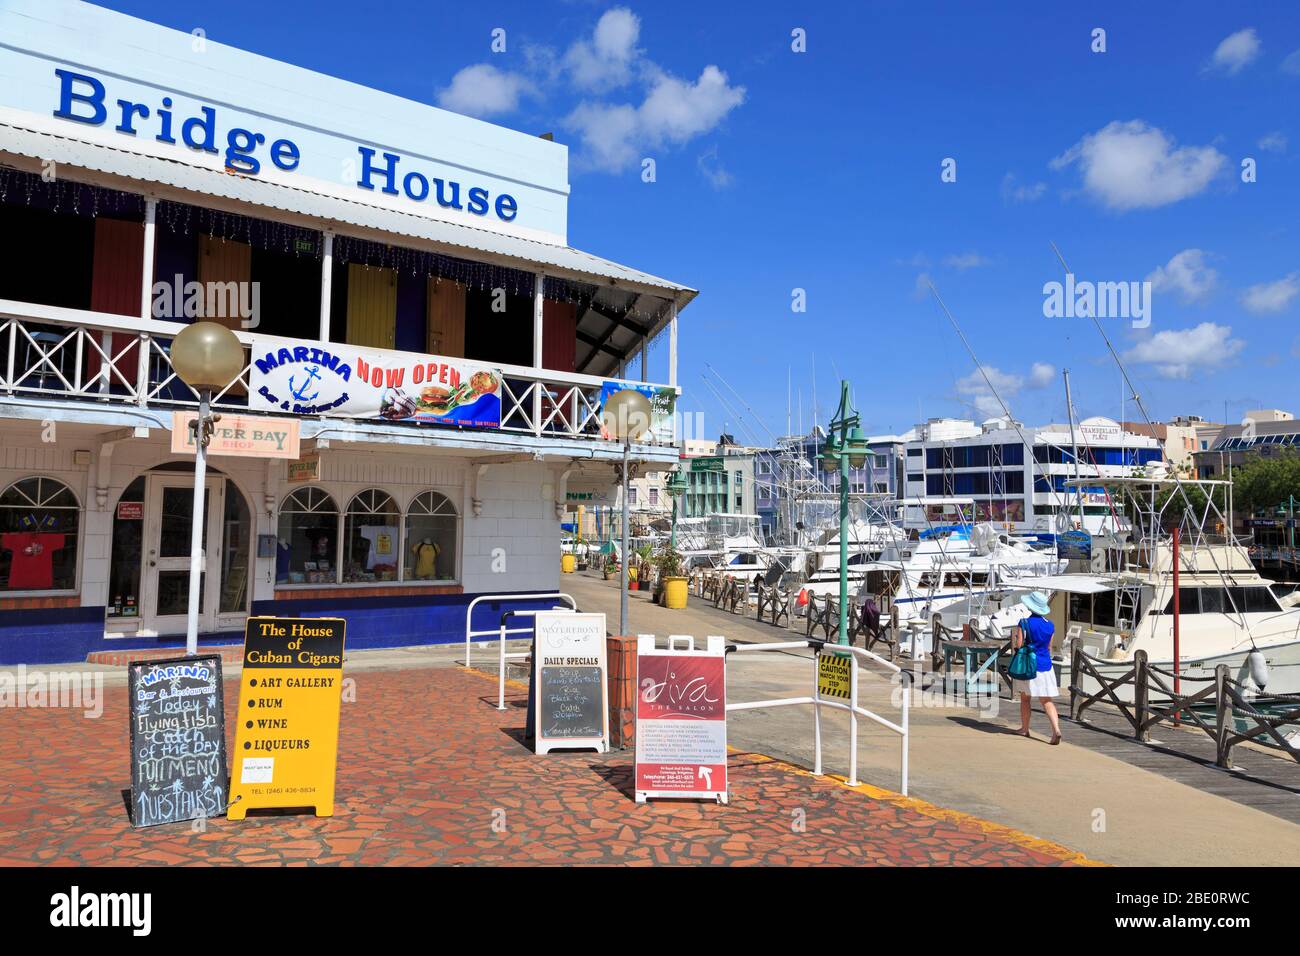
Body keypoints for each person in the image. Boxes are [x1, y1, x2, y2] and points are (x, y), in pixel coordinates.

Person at [1013, 591, 1062, 744]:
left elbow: (1019, 645)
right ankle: (1056, 730)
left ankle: (1024, 728)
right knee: (1047, 700)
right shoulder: (1050, 625)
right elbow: (1048, 647)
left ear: (1030, 606)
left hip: (1030, 666)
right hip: (1046, 666)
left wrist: (1017, 640)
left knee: (1025, 698)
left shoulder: (1024, 623)